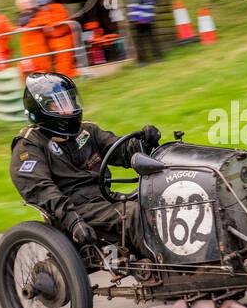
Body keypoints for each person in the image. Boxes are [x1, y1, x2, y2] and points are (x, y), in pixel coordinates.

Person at [10, 72, 160, 251]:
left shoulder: (87, 131)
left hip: (103, 199)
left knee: (158, 200)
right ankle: (170, 267)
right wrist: (73, 221)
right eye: (58, 105)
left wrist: (143, 143)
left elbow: (121, 150)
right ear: (39, 109)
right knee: (135, 215)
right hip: (74, 210)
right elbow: (40, 190)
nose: (67, 110)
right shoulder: (29, 144)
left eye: (69, 102)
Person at [126, 0, 162, 65]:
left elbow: (156, 1)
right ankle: (142, 61)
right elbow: (137, 0)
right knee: (139, 41)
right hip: (137, 20)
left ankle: (157, 58)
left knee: (152, 39)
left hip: (147, 18)